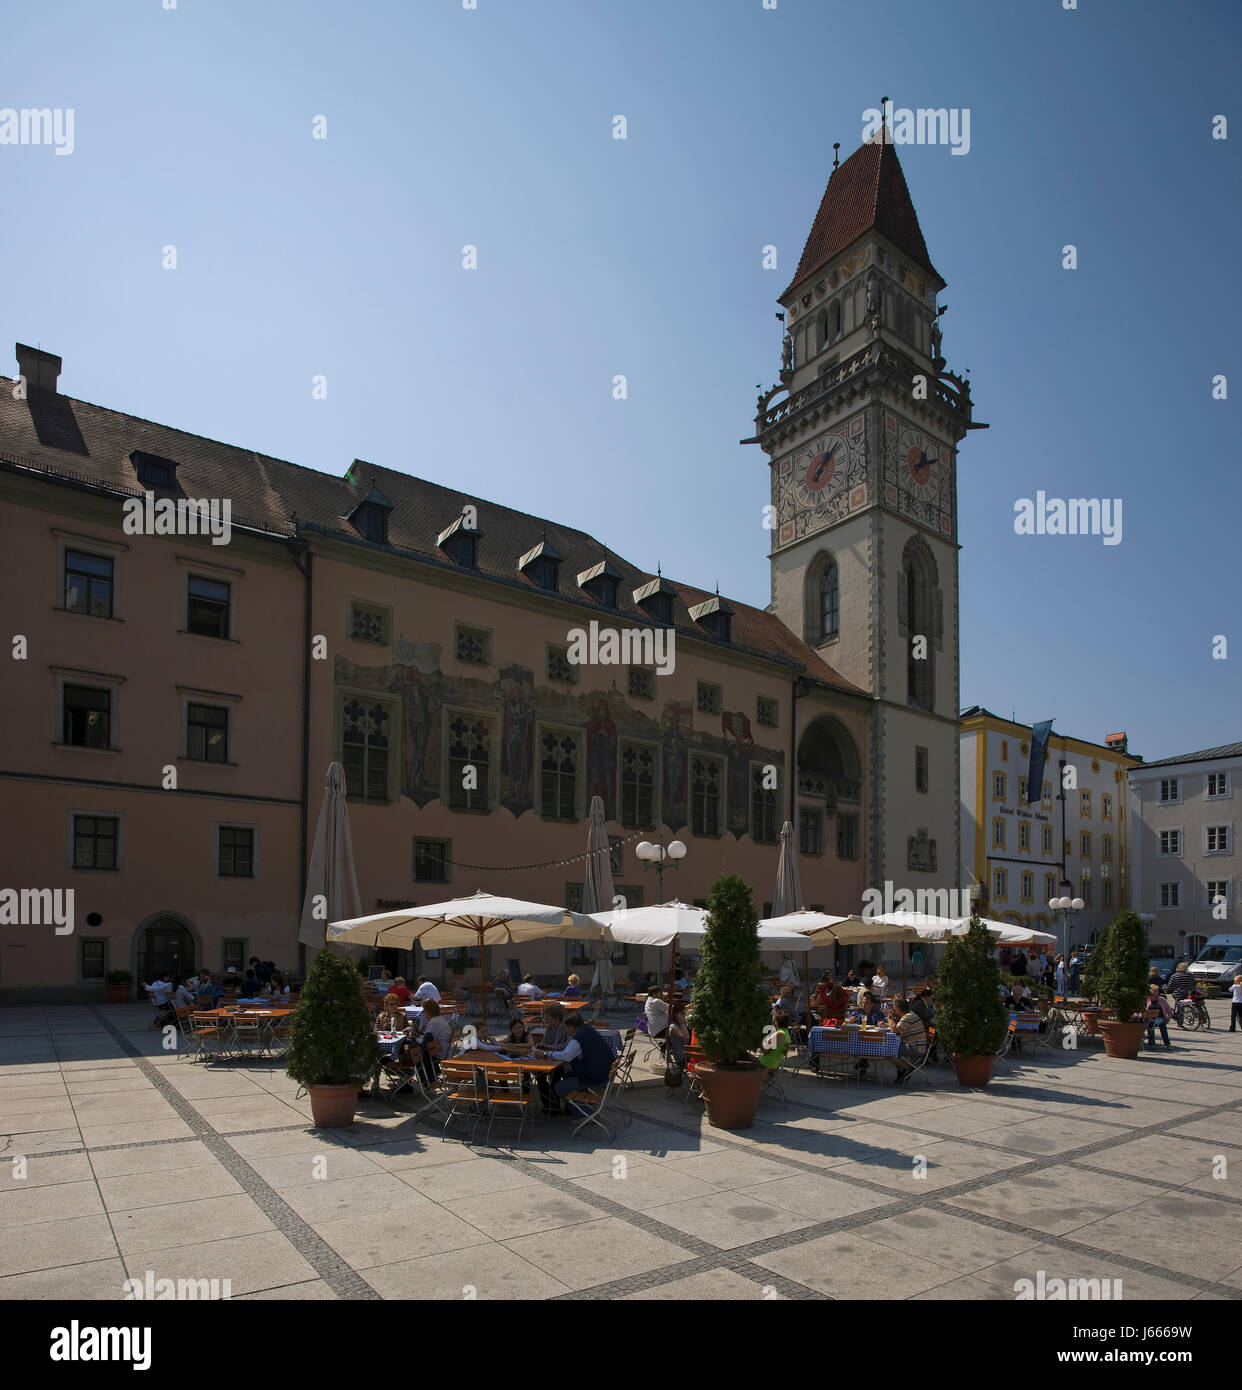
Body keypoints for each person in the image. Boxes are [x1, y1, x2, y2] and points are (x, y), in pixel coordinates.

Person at [542, 1014, 612, 1114]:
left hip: (596, 1077)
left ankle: (585, 1114)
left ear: (571, 1027)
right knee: (566, 1075)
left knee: (559, 1087)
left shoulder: (579, 1038)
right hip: (604, 1072)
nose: (565, 1030)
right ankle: (580, 1108)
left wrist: (545, 1053)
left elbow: (566, 1056)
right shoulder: (588, 1030)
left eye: (565, 1028)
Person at [892, 998, 928, 1084]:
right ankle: (902, 1069)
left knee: (888, 1051)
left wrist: (890, 1017)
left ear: (898, 1008)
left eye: (894, 1007)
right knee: (892, 1049)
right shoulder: (909, 1015)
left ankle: (905, 1068)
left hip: (916, 1048)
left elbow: (894, 1030)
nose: (893, 1009)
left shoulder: (908, 1017)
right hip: (915, 1046)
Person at [416, 998, 452, 1083]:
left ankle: (406, 1071)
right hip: (444, 1050)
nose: (423, 1013)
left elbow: (426, 1041)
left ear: (428, 1012)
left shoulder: (434, 1022)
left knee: (412, 1047)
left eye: (424, 1011)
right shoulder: (440, 1019)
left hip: (438, 1054)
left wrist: (414, 1037)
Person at [1144, 984, 1172, 1050]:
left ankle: (1167, 1043)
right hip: (1148, 1018)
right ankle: (1151, 1043)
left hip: (1159, 1017)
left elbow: (1170, 1010)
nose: (1156, 993)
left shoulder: (1162, 1000)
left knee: (1162, 1023)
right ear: (1150, 991)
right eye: (1154, 991)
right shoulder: (1146, 1000)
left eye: (1157, 991)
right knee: (1151, 1023)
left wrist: (1168, 1017)